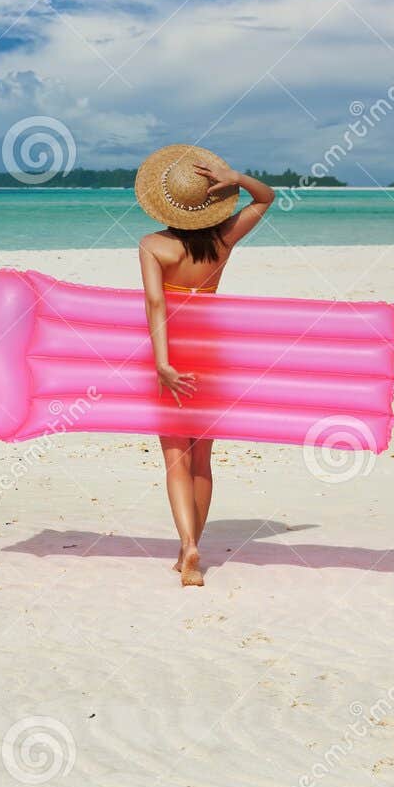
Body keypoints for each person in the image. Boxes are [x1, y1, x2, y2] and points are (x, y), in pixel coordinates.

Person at [134, 145, 276, 587]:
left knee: (175, 457)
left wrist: (162, 365)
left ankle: (187, 546)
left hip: (171, 353)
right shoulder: (223, 240)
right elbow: (266, 198)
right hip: (212, 354)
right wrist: (235, 175)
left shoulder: (153, 245)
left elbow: (156, 303)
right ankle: (196, 542)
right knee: (202, 459)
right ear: (209, 202)